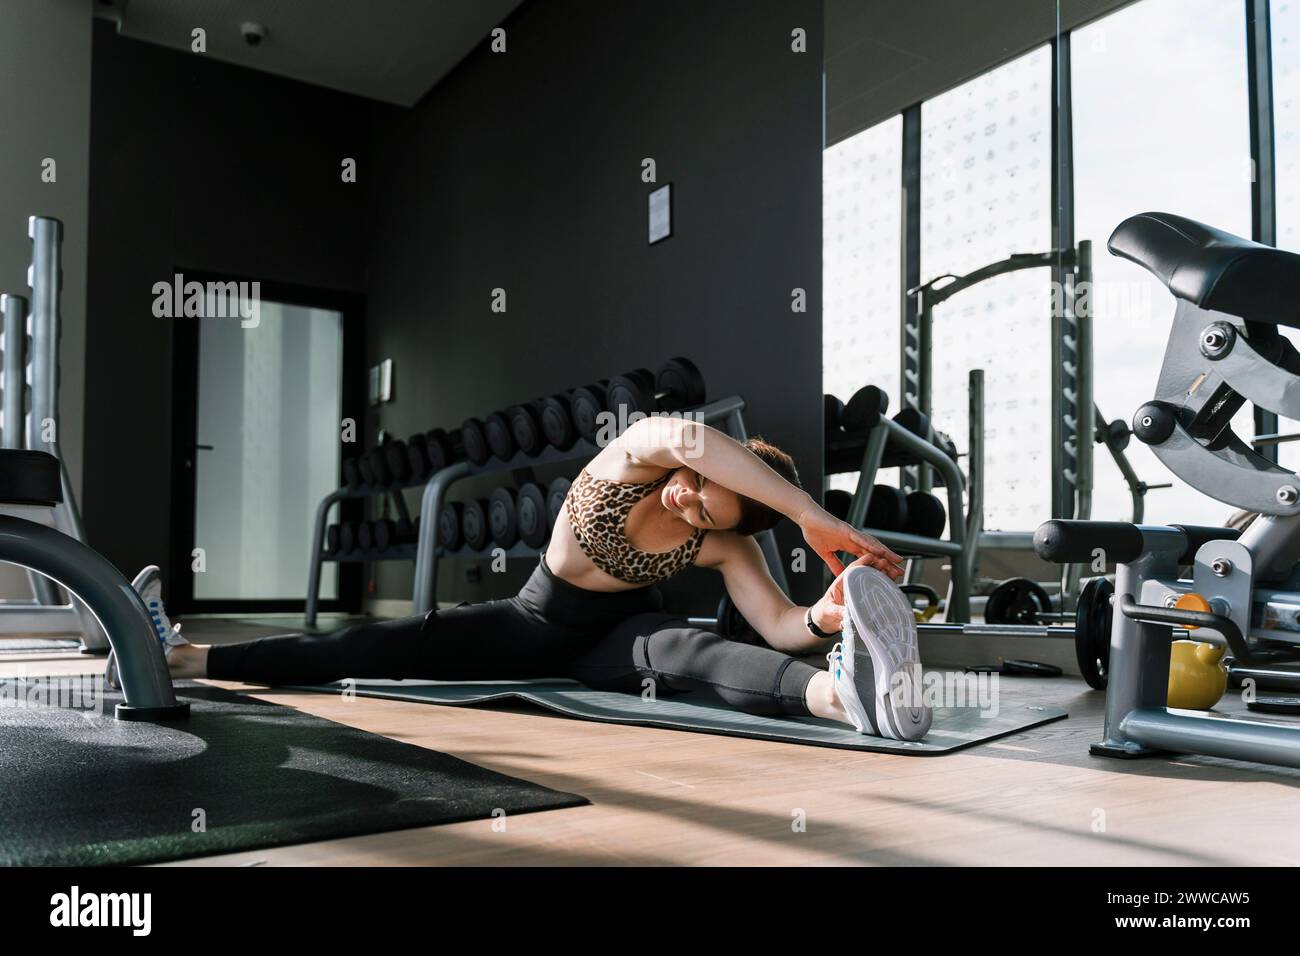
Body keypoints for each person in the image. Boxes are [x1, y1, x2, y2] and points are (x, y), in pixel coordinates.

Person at [112, 415, 932, 740]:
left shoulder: (722, 541)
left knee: (688, 651)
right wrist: (812, 517)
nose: (688, 508)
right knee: (377, 644)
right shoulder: (630, 463)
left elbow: (780, 623)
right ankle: (189, 659)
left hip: (614, 638)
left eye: (706, 519)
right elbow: (685, 439)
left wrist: (825, 617)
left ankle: (847, 698)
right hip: (533, 620)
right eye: (699, 493)